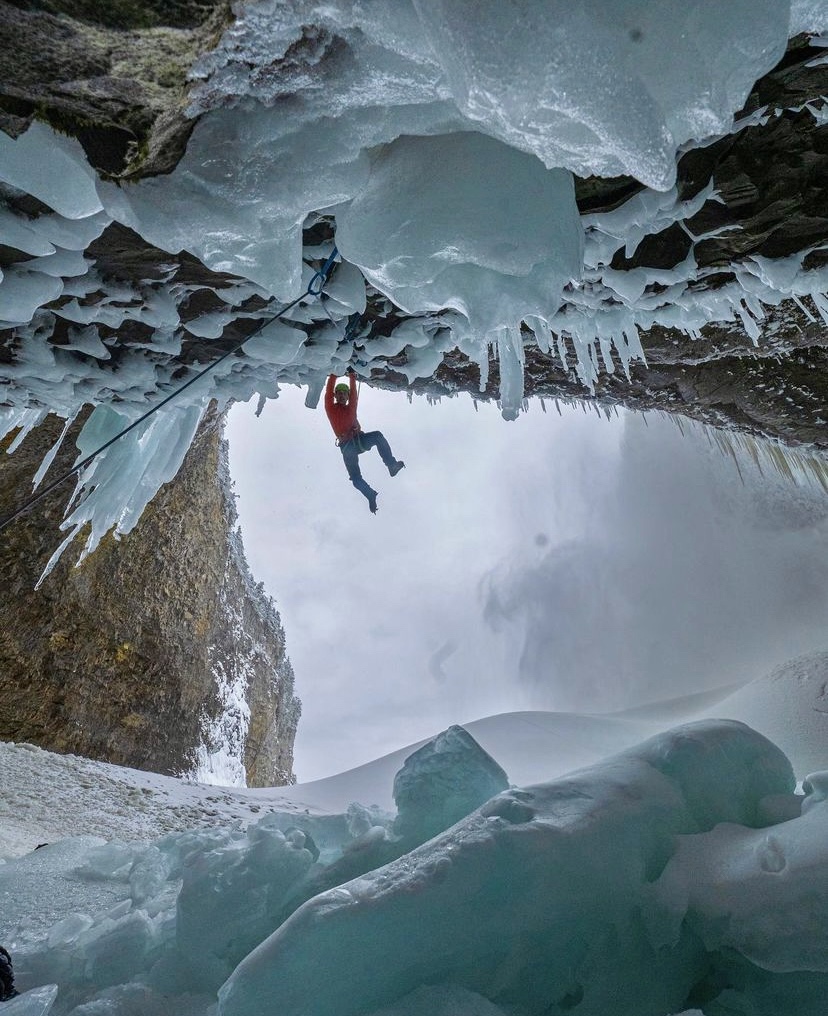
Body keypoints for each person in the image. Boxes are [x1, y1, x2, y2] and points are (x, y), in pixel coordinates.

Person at [324, 371, 404, 513]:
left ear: (348, 396)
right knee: (355, 478)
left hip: (358, 441)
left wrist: (352, 377)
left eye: (345, 393)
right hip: (348, 448)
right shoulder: (330, 408)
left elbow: (354, 393)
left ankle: (391, 465)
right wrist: (334, 375)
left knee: (378, 436)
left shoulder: (351, 408)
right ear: (335, 396)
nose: (342, 395)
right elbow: (328, 391)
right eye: (339, 393)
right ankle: (370, 495)